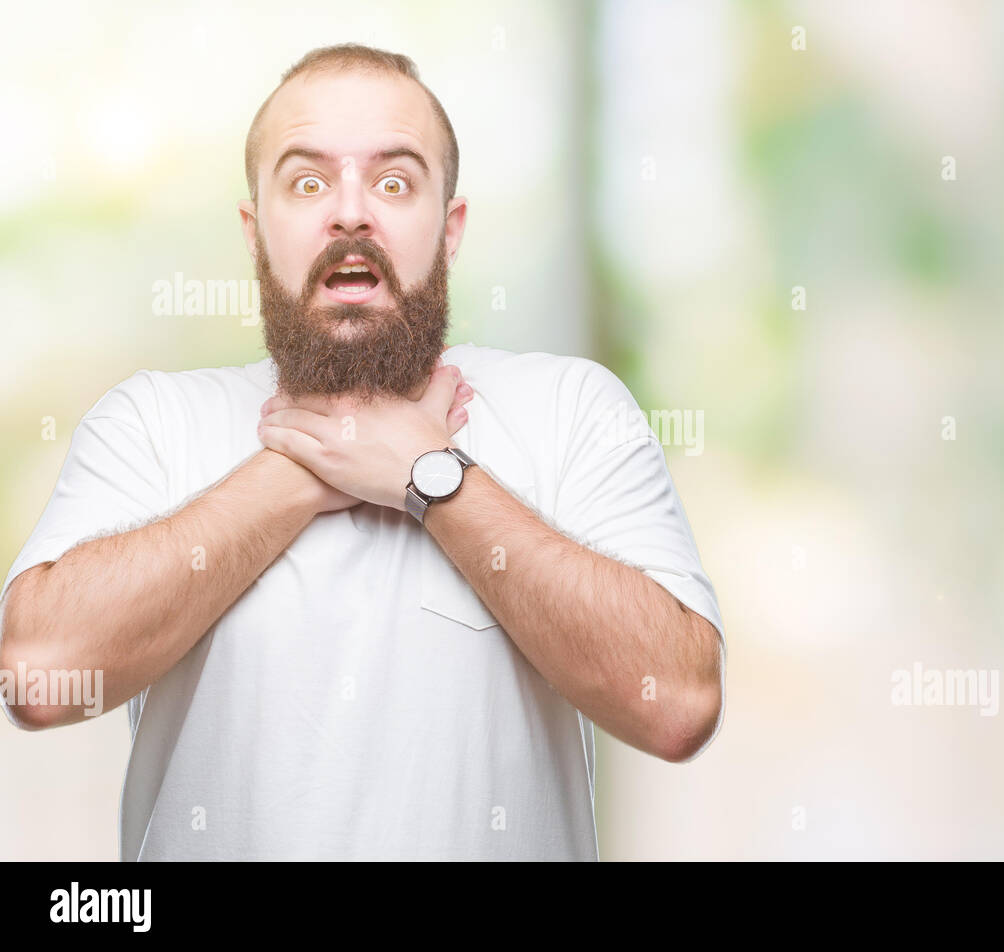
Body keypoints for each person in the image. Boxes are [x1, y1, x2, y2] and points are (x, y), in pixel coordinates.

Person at [0, 43, 725, 861]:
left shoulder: (573, 410)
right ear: (254, 230)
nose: (350, 214)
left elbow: (679, 703)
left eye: (394, 182)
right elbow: (35, 678)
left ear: (450, 230)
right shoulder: (151, 423)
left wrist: (432, 478)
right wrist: (306, 469)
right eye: (308, 183)